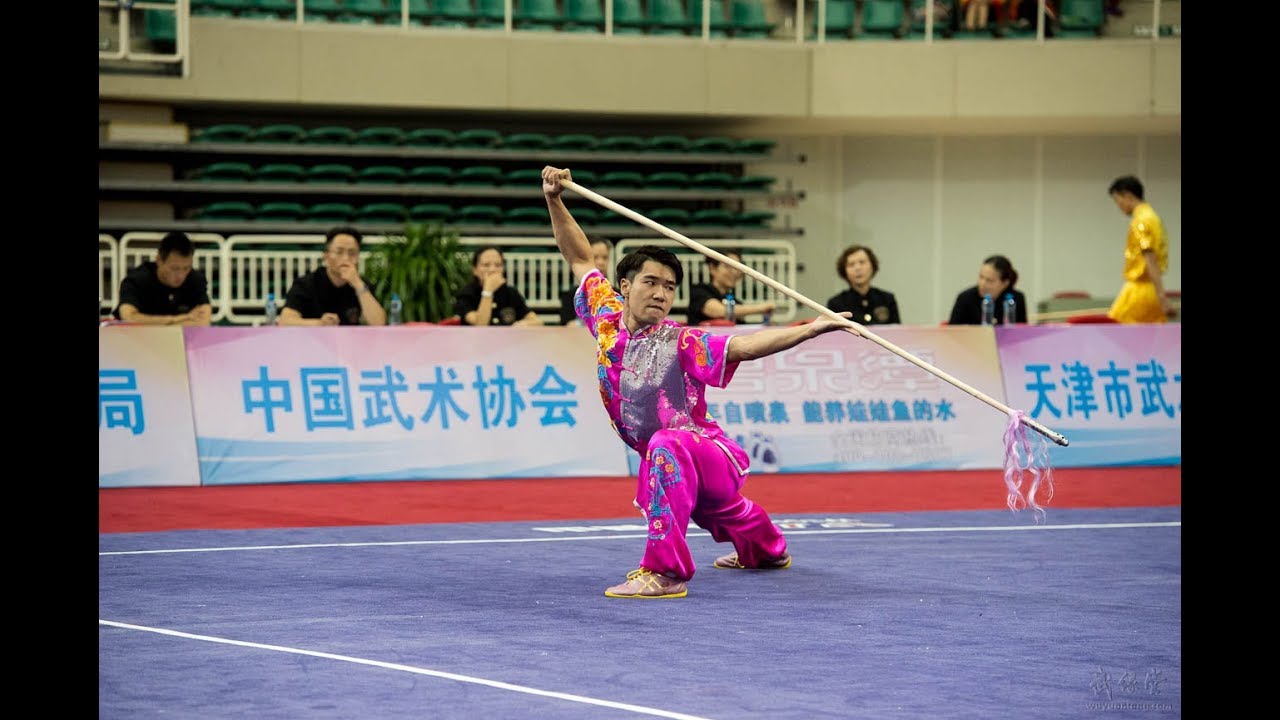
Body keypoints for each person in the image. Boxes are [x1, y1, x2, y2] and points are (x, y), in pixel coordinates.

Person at [542, 165, 856, 600]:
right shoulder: (604, 315)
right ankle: (767, 550)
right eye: (651, 282)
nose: (660, 294)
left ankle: (665, 572)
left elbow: (744, 346)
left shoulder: (681, 340)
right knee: (725, 510)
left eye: (669, 287)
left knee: (666, 445)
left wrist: (808, 329)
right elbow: (579, 257)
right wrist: (554, 199)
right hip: (693, 470)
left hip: (700, 450)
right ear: (625, 285)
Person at [278, 226, 387, 326]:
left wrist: (357, 284)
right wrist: (319, 323)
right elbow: (285, 321)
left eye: (352, 253)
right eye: (339, 252)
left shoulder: (362, 285)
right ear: (326, 256)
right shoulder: (306, 284)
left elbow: (379, 323)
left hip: (351, 343)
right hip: (312, 342)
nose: (346, 258)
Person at [1105, 175, 1172, 323]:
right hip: (1151, 291)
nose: (1119, 206)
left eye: (1118, 201)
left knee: (1114, 333)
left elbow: (1150, 259)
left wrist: (1162, 297)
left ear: (1127, 196)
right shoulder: (1153, 217)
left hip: (1139, 291)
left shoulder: (1141, 220)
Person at [113, 231, 213, 326]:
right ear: (159, 260)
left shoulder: (196, 279)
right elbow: (128, 318)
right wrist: (181, 318)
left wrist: (154, 323)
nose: (181, 275)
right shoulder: (137, 280)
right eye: (175, 268)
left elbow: (204, 322)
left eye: (186, 268)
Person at [455, 245, 544, 326]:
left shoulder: (511, 293)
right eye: (486, 265)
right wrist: (488, 291)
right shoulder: (466, 294)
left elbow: (537, 322)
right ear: (475, 270)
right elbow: (480, 325)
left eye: (498, 265)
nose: (492, 269)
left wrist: (522, 324)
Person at [685, 250, 776, 326]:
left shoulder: (735, 302)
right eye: (728, 266)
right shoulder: (699, 291)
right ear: (712, 268)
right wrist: (760, 308)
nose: (734, 272)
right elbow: (719, 311)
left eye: (737, 267)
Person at [826, 244, 901, 325]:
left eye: (862, 262)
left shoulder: (887, 299)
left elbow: (896, 332)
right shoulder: (836, 303)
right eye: (851, 264)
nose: (858, 268)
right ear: (844, 271)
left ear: (872, 266)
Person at [947, 255, 1028, 325]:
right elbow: (952, 333)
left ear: (1005, 283)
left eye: (989, 280)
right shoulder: (965, 298)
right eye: (981, 277)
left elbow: (1021, 333)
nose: (982, 284)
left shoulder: (1016, 299)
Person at [559, 237, 612, 326]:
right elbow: (567, 326)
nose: (601, 262)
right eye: (595, 257)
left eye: (605, 258)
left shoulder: (617, 293)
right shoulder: (569, 296)